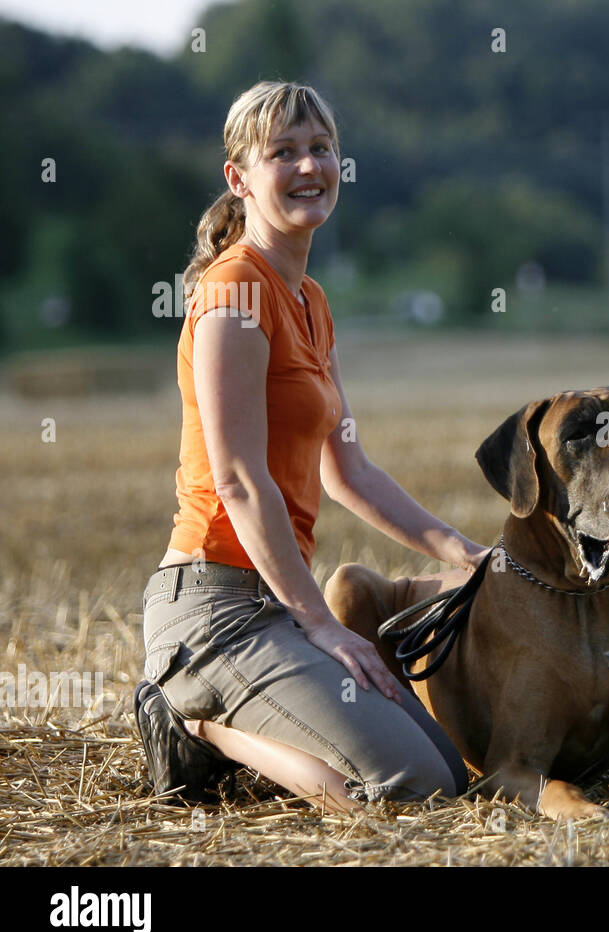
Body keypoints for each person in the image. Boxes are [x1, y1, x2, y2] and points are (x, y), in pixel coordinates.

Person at [135, 80, 485, 811]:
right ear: (239, 178)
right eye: (282, 153)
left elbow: (348, 469)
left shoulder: (310, 301)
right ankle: (194, 719)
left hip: (277, 605)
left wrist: (466, 553)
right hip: (213, 609)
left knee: (454, 772)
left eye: (320, 149)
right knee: (408, 792)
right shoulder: (233, 294)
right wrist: (322, 623)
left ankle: (221, 711)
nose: (307, 167)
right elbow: (236, 480)